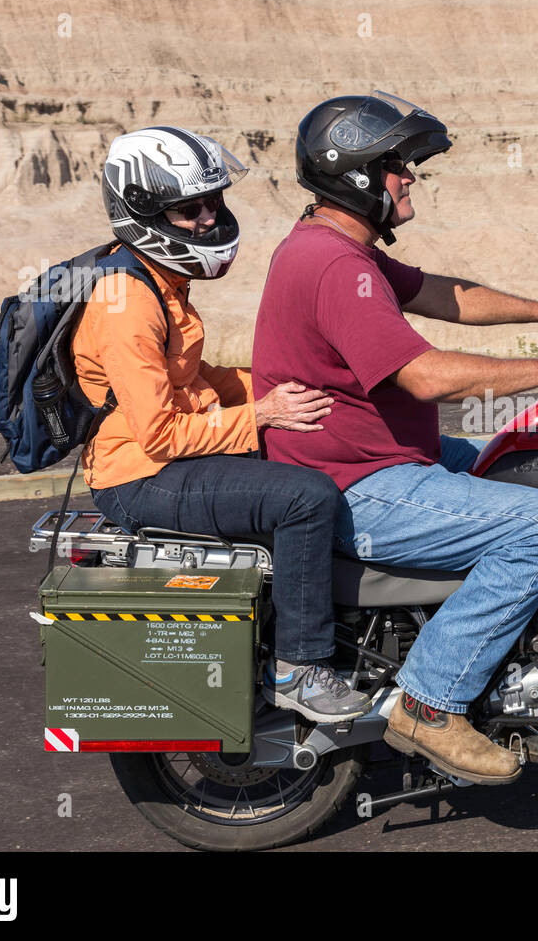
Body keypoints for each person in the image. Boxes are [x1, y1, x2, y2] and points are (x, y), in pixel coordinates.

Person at [252, 92, 538, 784]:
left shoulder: (335, 248)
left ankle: (517, 651)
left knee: (526, 460)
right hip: (359, 487)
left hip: (377, 461)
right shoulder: (336, 266)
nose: (410, 177)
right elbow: (425, 379)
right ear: (358, 175)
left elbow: (445, 295)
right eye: (398, 165)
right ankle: (428, 704)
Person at [73, 125, 372, 723]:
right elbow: (157, 432)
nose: (210, 220)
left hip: (164, 460)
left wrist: (280, 382)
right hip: (139, 476)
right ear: (143, 212)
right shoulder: (127, 304)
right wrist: (261, 414)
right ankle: (299, 667)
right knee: (305, 498)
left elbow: (191, 377)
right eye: (190, 209)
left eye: (214, 203)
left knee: (298, 449)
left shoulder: (155, 280)